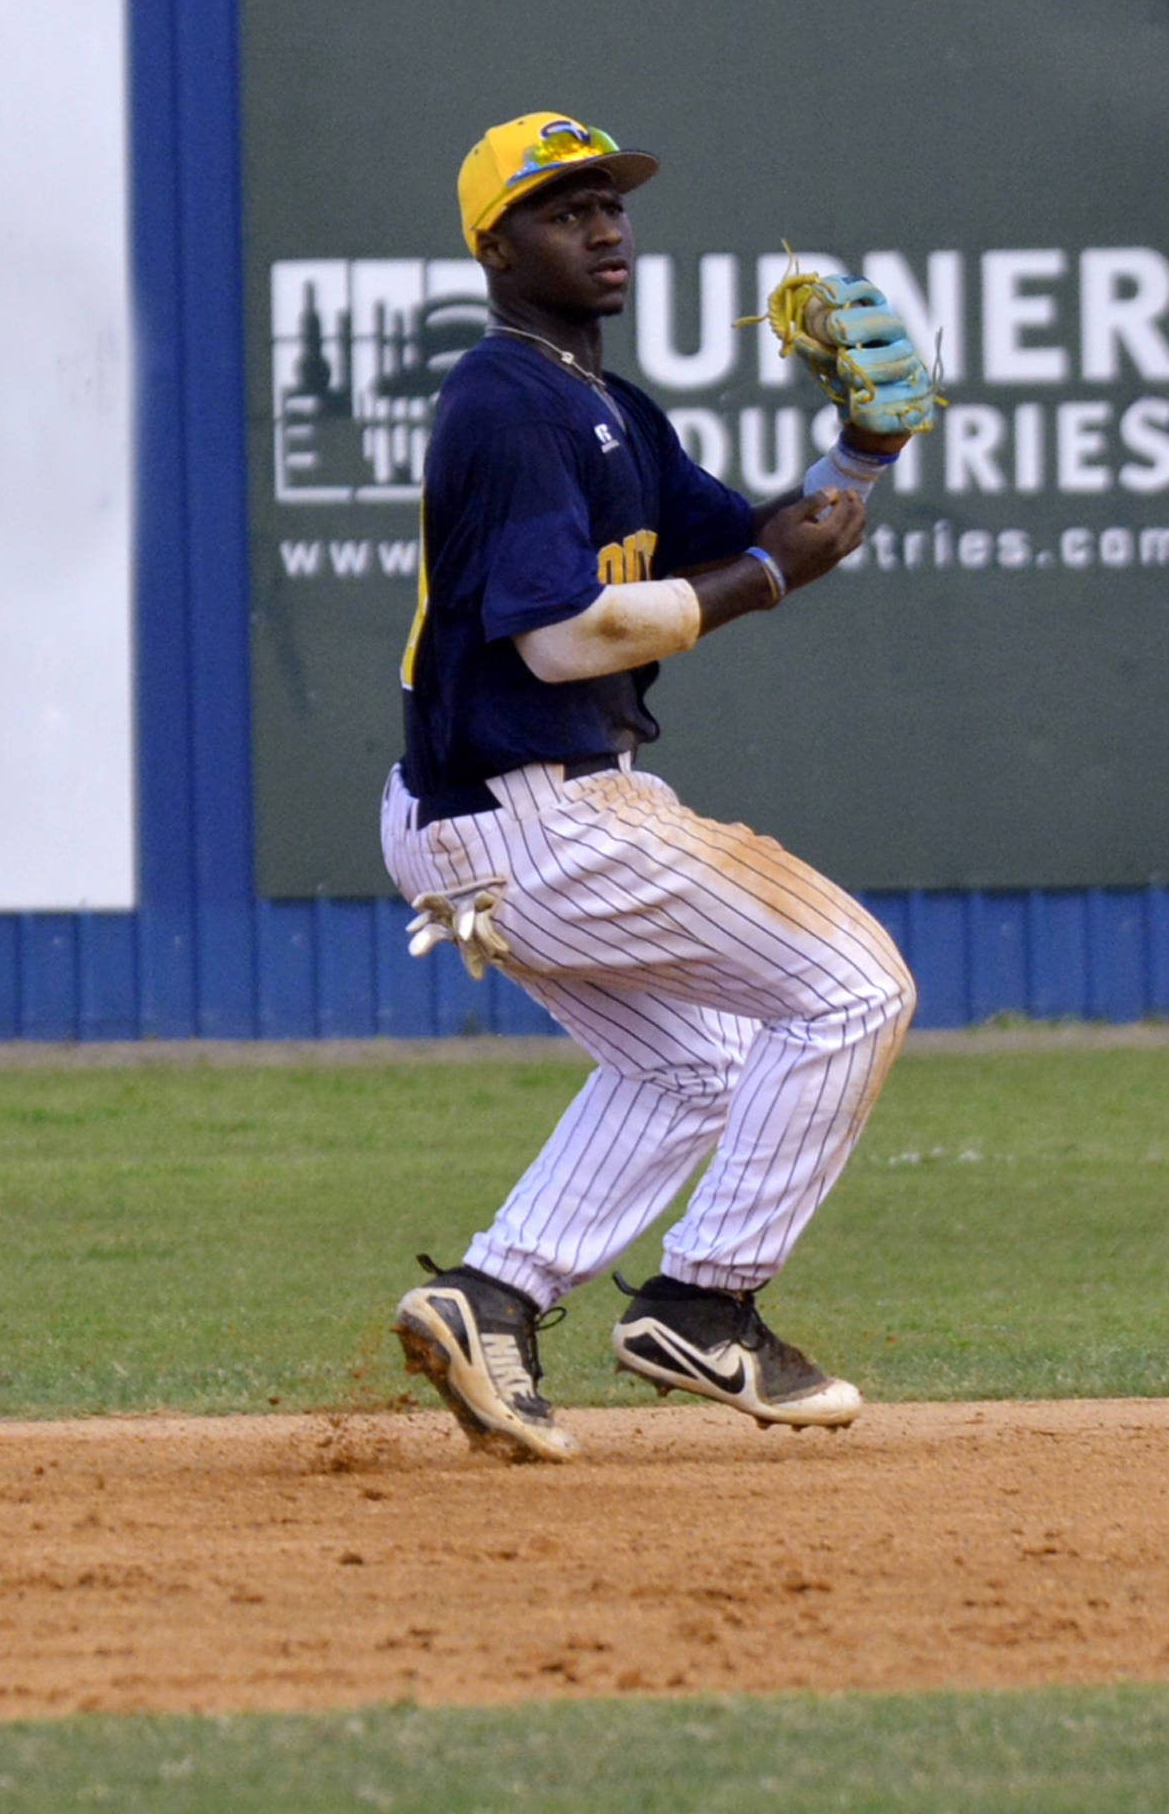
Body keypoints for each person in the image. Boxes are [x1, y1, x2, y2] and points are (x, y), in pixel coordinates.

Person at [383, 112, 934, 1464]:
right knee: (854, 987)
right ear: (495, 245)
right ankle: (707, 1301)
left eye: (612, 202)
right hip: (539, 811)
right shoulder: (506, 402)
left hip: (476, 815)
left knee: (696, 1066)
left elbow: (750, 537)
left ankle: (490, 1298)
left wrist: (861, 455)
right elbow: (562, 635)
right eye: (565, 209)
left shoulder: (606, 407)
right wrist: (762, 582)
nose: (606, 226)